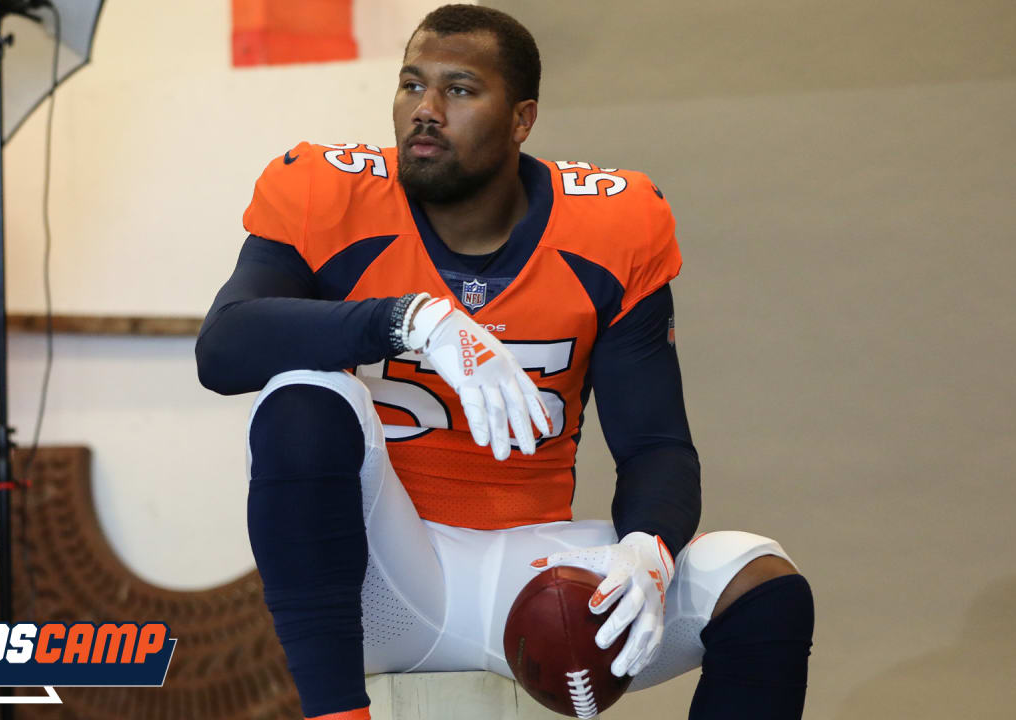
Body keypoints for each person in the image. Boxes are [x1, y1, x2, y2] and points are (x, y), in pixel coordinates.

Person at [196, 5, 814, 719]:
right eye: (410, 84)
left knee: (763, 584)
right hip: (381, 580)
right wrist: (408, 321)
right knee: (304, 390)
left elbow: (656, 445)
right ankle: (336, 715)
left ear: (522, 119)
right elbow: (225, 346)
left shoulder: (612, 228)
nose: (425, 110)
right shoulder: (330, 193)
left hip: (538, 573)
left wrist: (652, 545)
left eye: (458, 89)